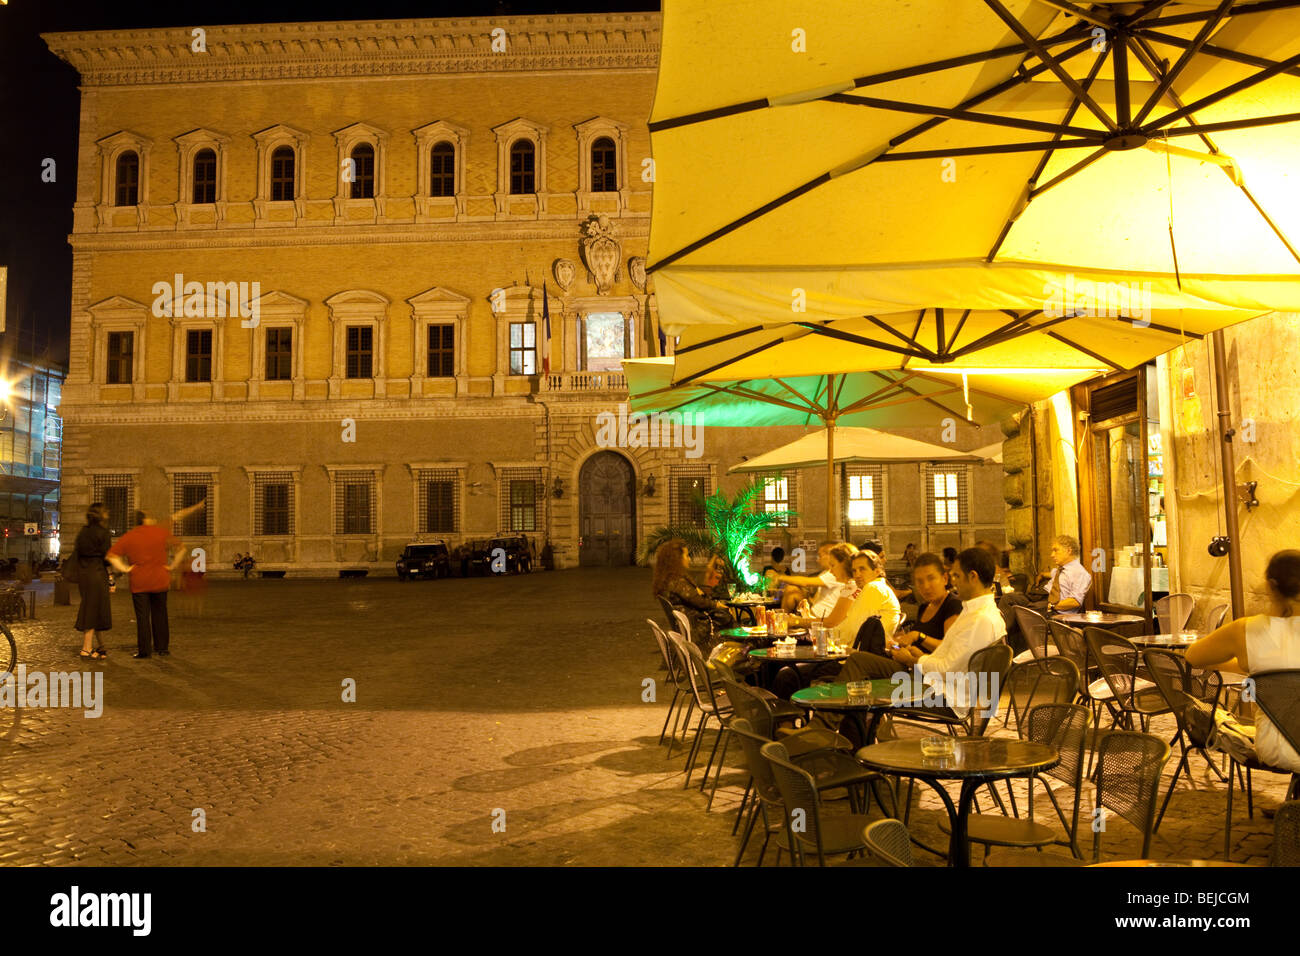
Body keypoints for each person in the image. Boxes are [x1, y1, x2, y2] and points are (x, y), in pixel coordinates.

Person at [1186, 551, 1300, 773]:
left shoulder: (1246, 630)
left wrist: (1244, 663)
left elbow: (1193, 656)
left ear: (1271, 586)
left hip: (1277, 748)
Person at [836, 547, 1004, 682]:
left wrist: (912, 659)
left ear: (973, 577)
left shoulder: (979, 619)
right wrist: (916, 654)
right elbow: (947, 657)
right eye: (920, 581)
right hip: (930, 680)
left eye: (956, 576)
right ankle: (837, 721)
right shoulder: (974, 613)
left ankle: (825, 720)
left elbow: (947, 670)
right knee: (859, 672)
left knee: (858, 664)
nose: (954, 581)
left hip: (941, 694)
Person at [107, 503, 201, 659]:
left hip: (139, 581)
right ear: (145, 520)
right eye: (150, 516)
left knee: (143, 618)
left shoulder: (130, 536)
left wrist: (125, 569)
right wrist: (172, 566)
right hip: (160, 579)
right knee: (160, 615)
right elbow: (182, 549)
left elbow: (112, 555)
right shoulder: (161, 532)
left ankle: (144, 650)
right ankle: (162, 647)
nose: (153, 518)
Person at [653, 539, 736, 654]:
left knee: (724, 615)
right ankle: (725, 654)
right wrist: (717, 604)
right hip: (695, 624)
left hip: (687, 621)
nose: (689, 559)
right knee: (727, 617)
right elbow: (699, 602)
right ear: (677, 559)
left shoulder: (670, 578)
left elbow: (697, 595)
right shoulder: (677, 581)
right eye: (686, 556)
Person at [74, 502, 115, 660]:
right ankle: (86, 648)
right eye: (105, 511)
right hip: (97, 574)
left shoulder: (83, 532)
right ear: (100, 514)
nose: (108, 512)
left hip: (84, 573)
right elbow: (107, 558)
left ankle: (100, 646)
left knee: (92, 607)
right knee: (92, 610)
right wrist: (111, 578)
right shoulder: (103, 533)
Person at [838, 550, 902, 648]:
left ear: (877, 571)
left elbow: (850, 629)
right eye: (854, 571)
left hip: (861, 656)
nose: (857, 575)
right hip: (864, 651)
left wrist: (827, 638)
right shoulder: (878, 588)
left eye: (862, 569)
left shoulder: (874, 588)